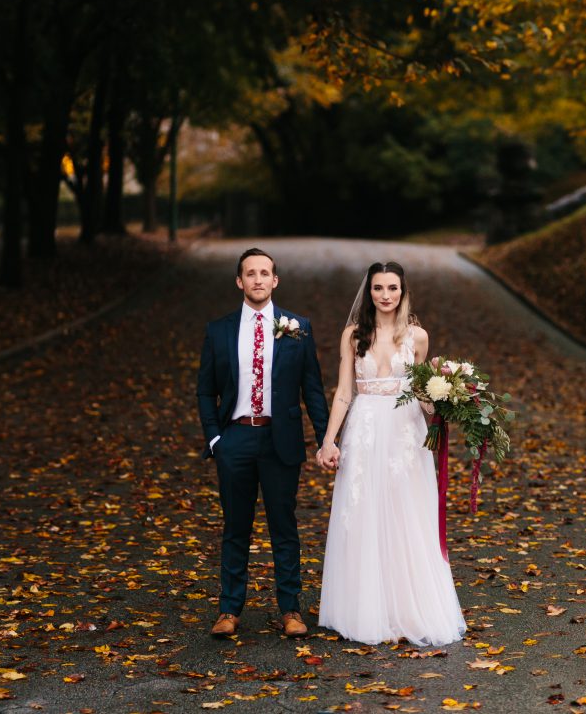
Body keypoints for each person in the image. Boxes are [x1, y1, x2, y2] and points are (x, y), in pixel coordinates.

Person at [315, 261, 466, 647]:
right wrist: (329, 440)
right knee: (363, 513)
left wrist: (446, 398)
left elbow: (422, 395)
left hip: (405, 433)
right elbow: (344, 392)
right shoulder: (353, 335)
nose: (385, 295)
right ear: (369, 293)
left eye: (392, 288)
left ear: (403, 291)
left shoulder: (418, 337)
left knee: (407, 515)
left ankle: (409, 609)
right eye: (378, 288)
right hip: (365, 430)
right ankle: (366, 609)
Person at [197, 247, 329, 638]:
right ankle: (229, 610)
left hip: (280, 439)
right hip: (235, 438)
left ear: (275, 280)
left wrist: (326, 439)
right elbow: (205, 390)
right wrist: (215, 438)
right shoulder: (218, 330)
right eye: (250, 273)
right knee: (235, 527)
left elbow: (313, 390)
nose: (258, 279)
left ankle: (290, 610)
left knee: (283, 527)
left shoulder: (298, 328)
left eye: (264, 273)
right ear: (240, 281)